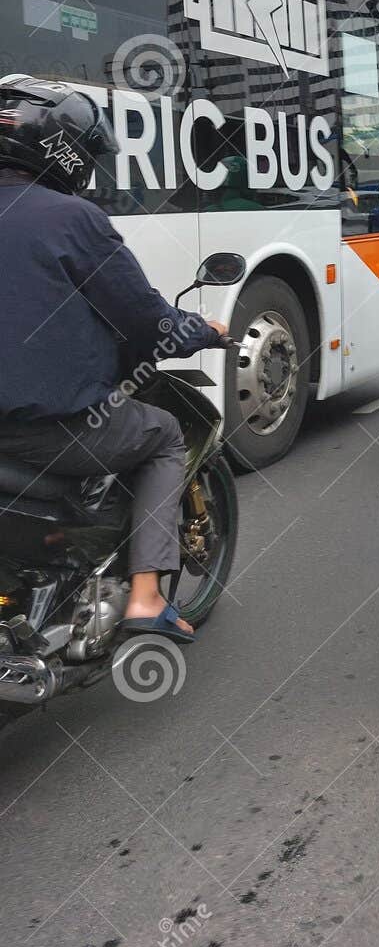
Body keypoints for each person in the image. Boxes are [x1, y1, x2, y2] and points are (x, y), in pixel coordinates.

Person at [0, 75, 227, 644]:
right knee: (165, 434)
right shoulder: (70, 219)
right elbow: (147, 321)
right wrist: (205, 329)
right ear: (62, 148)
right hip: (44, 432)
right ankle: (146, 597)